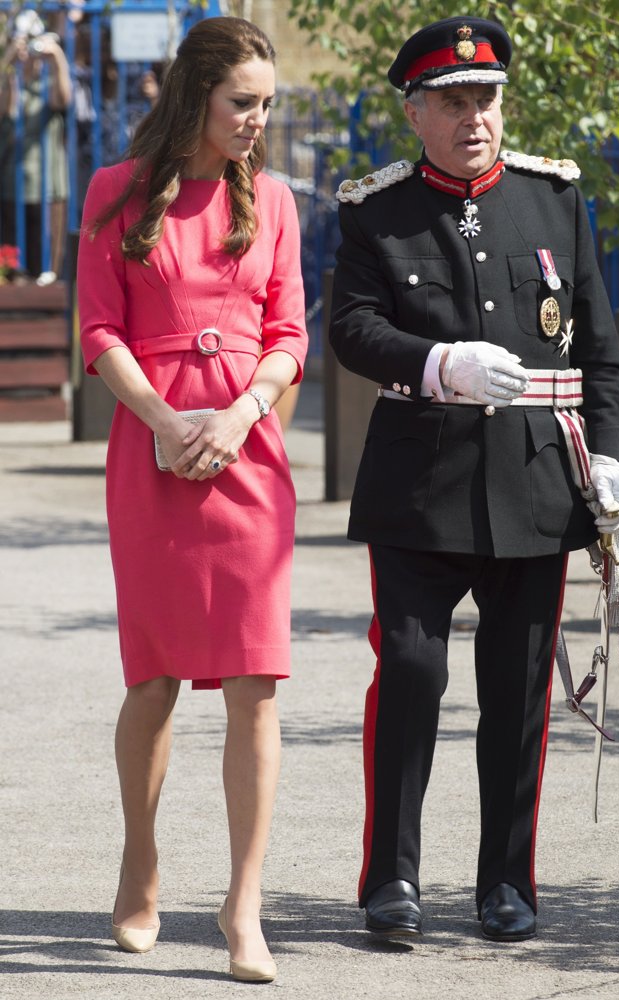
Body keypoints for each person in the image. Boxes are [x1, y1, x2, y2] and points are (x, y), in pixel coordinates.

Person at [329, 16, 619, 943]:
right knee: (413, 674)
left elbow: (601, 350)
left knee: (518, 689)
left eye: (487, 99)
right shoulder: (377, 211)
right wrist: (437, 363)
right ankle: (391, 880)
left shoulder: (553, 200)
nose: (475, 118)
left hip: (536, 484)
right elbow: (350, 327)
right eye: (453, 102)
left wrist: (611, 459)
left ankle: (506, 883)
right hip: (420, 483)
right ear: (414, 113)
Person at [77, 16, 308, 982]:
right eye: (241, 103)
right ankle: (141, 860)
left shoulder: (280, 199)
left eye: (265, 103)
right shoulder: (113, 191)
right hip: (154, 450)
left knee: (257, 687)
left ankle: (242, 906)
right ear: (195, 97)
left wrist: (245, 410)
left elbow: (290, 330)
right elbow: (97, 328)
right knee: (156, 678)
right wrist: (171, 423)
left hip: (250, 457)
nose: (257, 119)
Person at [0, 9, 71, 282]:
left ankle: (50, 309)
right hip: (11, 185)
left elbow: (63, 99)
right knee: (11, 265)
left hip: (49, 186)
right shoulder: (11, 82)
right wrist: (8, 60)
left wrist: (57, 58)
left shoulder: (48, 82)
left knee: (46, 267)